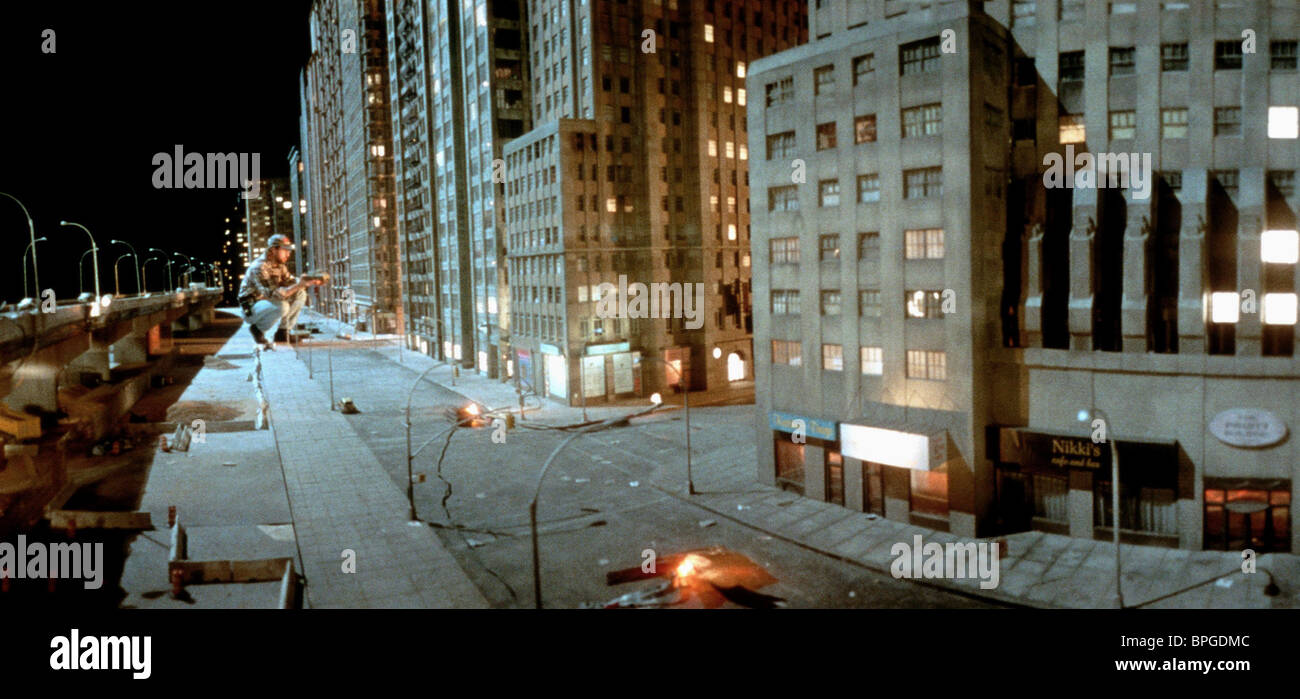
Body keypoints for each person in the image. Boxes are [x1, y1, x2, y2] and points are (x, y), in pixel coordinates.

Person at [237, 234, 321, 350]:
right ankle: (258, 329)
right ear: (273, 249)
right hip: (251, 307)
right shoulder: (259, 266)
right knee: (282, 306)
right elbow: (272, 294)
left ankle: (283, 332)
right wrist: (299, 284)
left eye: (289, 250)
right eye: (285, 250)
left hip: (265, 303)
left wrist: (308, 280)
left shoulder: (280, 266)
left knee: (300, 293)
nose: (288, 253)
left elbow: (291, 282)